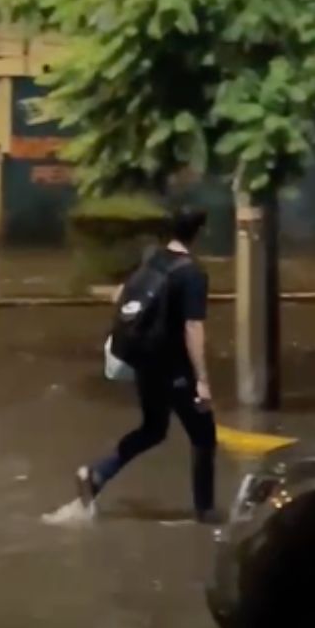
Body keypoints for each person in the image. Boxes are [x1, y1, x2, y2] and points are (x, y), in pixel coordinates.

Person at [76, 205, 218, 523]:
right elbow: (193, 328)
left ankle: (96, 474)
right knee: (204, 436)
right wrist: (203, 380)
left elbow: (121, 296)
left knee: (153, 429)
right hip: (174, 368)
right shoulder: (192, 273)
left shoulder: (152, 259)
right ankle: (206, 513)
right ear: (200, 233)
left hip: (144, 361)